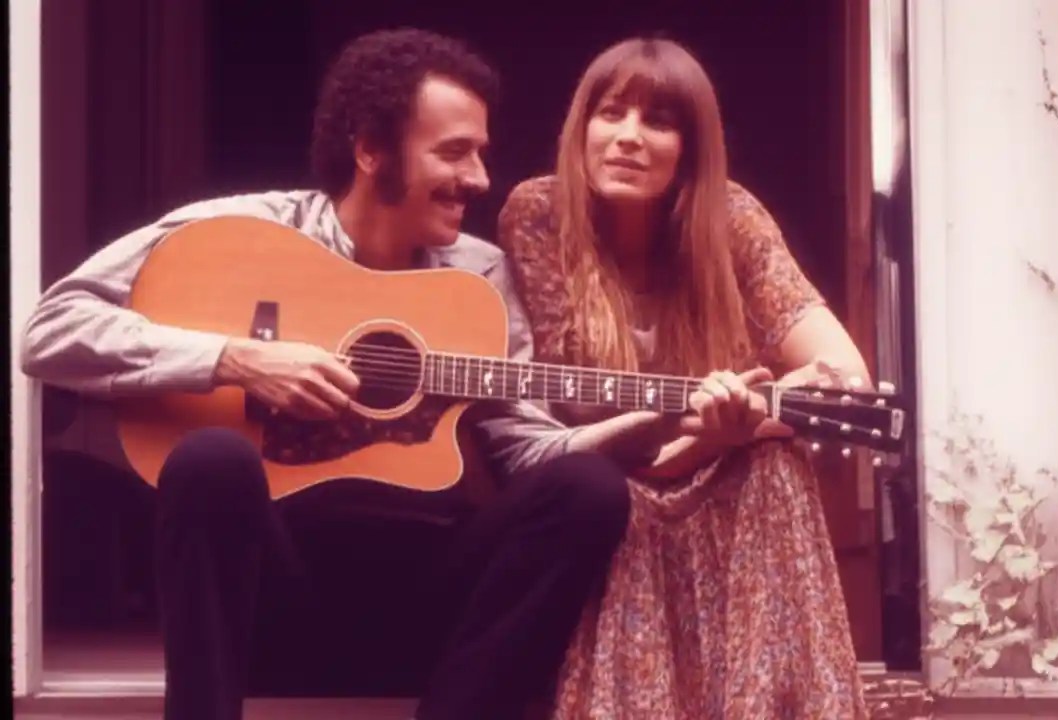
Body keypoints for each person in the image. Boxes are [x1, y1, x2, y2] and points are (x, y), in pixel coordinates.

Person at [20, 28, 738, 720]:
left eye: (480, 154)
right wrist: (236, 359)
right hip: (273, 594)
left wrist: (652, 420)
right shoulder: (246, 234)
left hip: (426, 606)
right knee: (209, 460)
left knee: (588, 491)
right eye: (455, 154)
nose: (480, 179)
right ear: (370, 150)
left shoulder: (480, 276)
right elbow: (51, 330)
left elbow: (528, 452)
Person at [496, 37, 873, 719]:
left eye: (659, 121)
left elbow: (845, 376)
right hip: (604, 481)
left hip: (708, 481)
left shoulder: (732, 218)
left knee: (776, 465)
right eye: (611, 114)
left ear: (690, 150)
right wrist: (694, 437)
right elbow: (568, 405)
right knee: (606, 495)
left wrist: (717, 437)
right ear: (581, 129)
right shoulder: (538, 214)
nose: (629, 138)